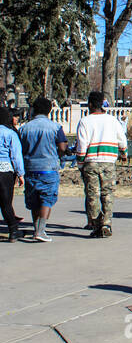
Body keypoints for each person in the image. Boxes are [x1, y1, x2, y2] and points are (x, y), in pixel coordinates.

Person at [17, 96, 69, 243]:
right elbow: (62, 147)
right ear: (49, 110)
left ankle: (36, 228)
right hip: (49, 168)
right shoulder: (55, 127)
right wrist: (59, 155)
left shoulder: (24, 128)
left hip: (30, 168)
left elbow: (19, 148)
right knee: (47, 198)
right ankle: (41, 230)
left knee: (33, 200)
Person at [75, 91, 127, 238]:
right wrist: (123, 153)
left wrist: (80, 163)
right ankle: (107, 223)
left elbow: (82, 146)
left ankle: (96, 225)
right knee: (108, 193)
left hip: (91, 162)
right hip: (109, 162)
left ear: (90, 104)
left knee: (93, 194)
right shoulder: (112, 120)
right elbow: (122, 140)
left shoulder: (85, 121)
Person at [0, 108, 25, 241]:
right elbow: (16, 155)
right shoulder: (9, 133)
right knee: (6, 202)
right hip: (4, 171)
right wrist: (20, 173)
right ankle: (13, 230)